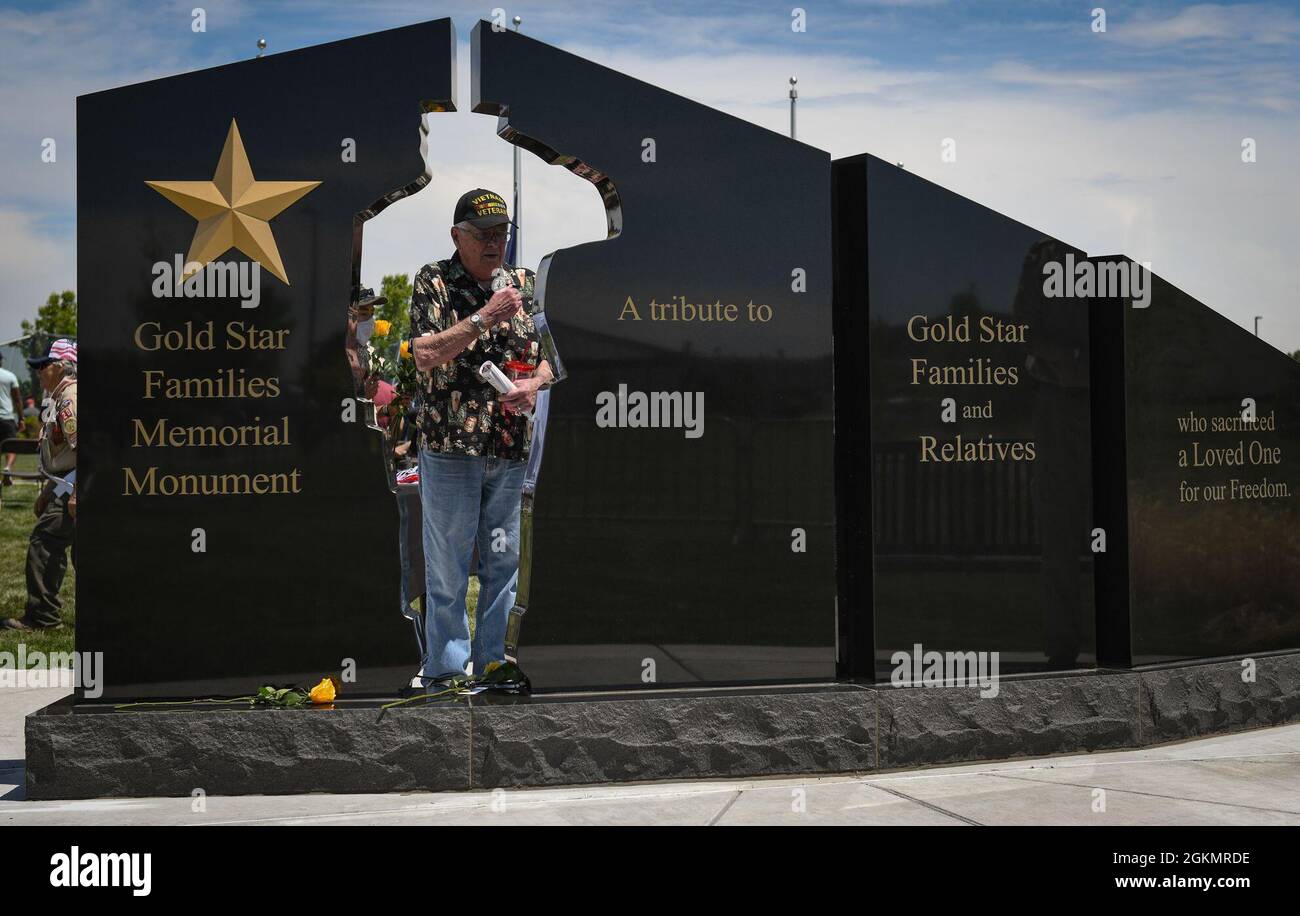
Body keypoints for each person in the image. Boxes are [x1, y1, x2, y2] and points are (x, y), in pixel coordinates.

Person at [410, 188, 553, 686]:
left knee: (503, 562)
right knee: (448, 566)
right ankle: (446, 670)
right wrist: (485, 317)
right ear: (457, 236)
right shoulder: (433, 280)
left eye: (501, 233)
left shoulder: (526, 283)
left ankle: (493, 662)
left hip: (509, 446)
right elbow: (424, 354)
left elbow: (552, 355)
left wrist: (534, 385)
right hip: (451, 448)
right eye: (483, 234)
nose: (495, 243)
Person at [1, 339, 77, 631]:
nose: (38, 371)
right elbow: (62, 454)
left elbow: (87, 450)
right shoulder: (57, 397)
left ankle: (43, 617)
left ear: (59, 367)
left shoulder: (69, 398)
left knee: (45, 542)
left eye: (43, 365)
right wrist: (48, 491)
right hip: (66, 483)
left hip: (75, 485)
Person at [0, 353, 21, 487]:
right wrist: (22, 418)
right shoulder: (10, 376)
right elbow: (17, 400)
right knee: (12, 446)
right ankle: (7, 468)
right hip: (7, 418)